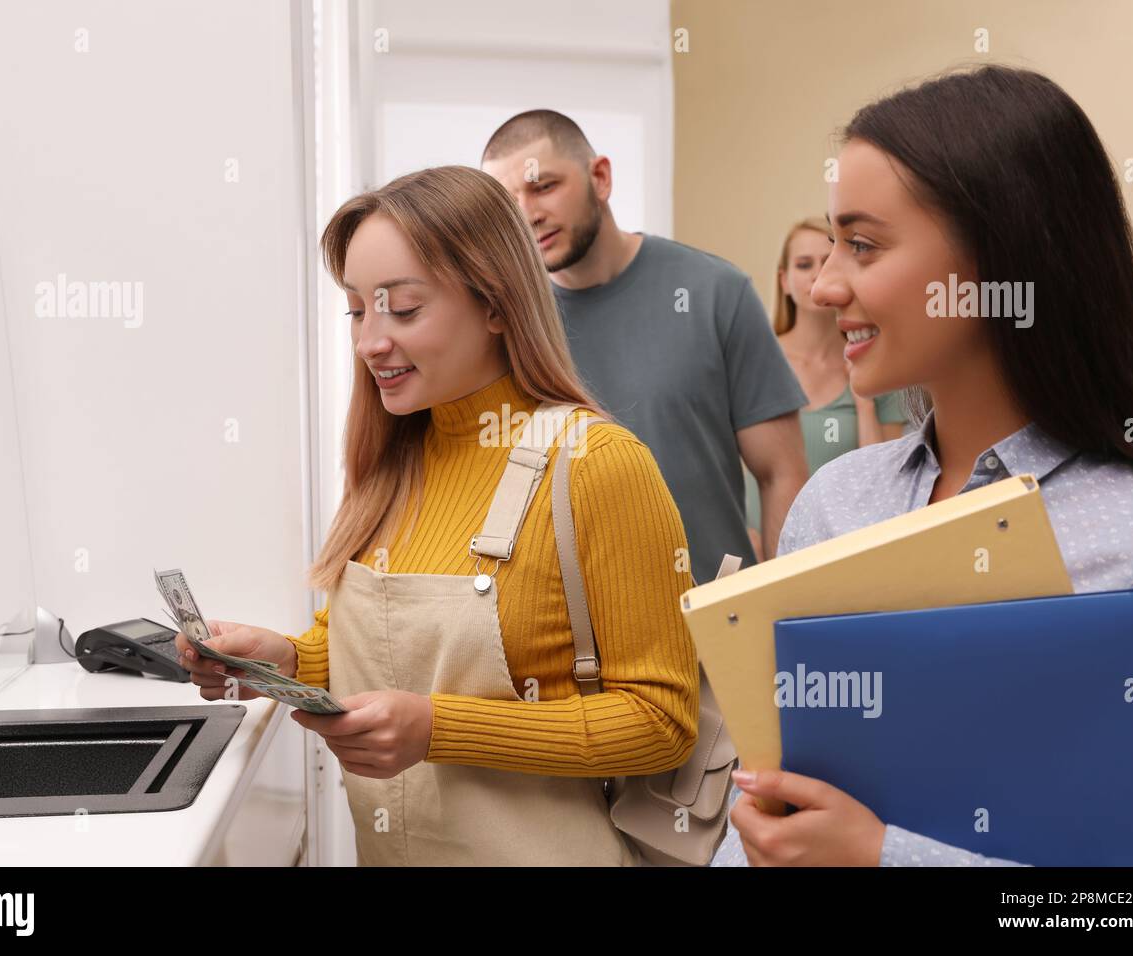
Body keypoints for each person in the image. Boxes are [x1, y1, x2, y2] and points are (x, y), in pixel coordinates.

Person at [713, 64, 1133, 866]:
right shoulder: (836, 504)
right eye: (830, 248)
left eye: (861, 245)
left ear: (1001, 255)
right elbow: (768, 797)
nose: (823, 287)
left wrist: (880, 856)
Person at [175, 165, 700, 866]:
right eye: (359, 309)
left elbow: (662, 723)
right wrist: (284, 660)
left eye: (404, 309)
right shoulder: (392, 464)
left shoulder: (596, 463)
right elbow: (372, 653)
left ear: (496, 305)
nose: (370, 342)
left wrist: (437, 729)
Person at [481, 111, 809, 583]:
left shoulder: (715, 291)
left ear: (600, 177)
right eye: (510, 203)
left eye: (544, 186)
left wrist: (781, 614)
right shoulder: (507, 330)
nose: (529, 213)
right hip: (574, 645)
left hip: (715, 634)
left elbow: (782, 474)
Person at [743, 218, 907, 560]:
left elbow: (889, 486)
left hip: (847, 558)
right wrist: (743, 531)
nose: (818, 274)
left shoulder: (876, 365)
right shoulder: (752, 362)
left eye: (828, 261)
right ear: (784, 281)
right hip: (757, 557)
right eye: (804, 265)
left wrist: (863, 405)